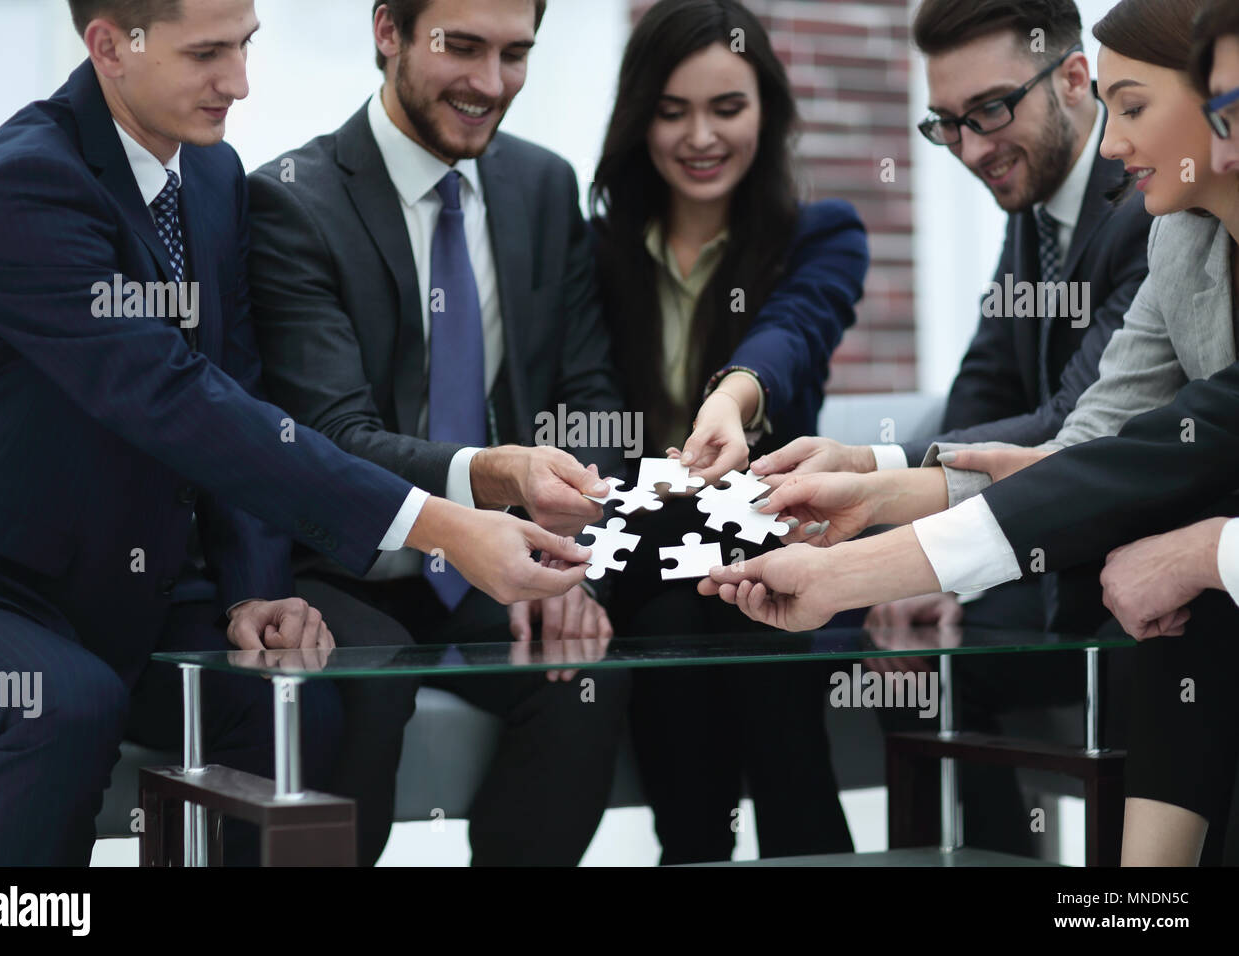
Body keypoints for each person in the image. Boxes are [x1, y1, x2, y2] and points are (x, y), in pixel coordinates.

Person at [0, 0, 590, 867]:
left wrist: (252, 591)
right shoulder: (23, 189)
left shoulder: (210, 177)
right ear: (108, 47)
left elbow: (239, 393)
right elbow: (177, 403)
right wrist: (445, 525)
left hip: (134, 588)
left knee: (299, 703)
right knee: (68, 705)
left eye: (246, 46)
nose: (239, 84)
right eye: (207, 54)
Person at [702, 0, 1239, 865]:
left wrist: (1203, 550)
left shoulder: (1144, 214)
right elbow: (1097, 442)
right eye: (947, 124)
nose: (1110, 140)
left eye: (1131, 108)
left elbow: (1133, 450)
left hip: (1160, 583)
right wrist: (878, 487)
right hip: (1163, 583)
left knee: (1172, 619)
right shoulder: (1176, 234)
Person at [247, 0, 630, 866]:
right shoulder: (290, 201)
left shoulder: (541, 186)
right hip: (348, 559)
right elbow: (332, 436)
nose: (491, 84)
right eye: (461, 47)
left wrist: (571, 550)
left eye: (515, 55)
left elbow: (586, 395)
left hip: (501, 554)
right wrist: (502, 478)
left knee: (586, 678)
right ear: (388, 32)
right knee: (364, 689)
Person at [590, 0, 868, 864]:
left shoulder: (820, 235)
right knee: (697, 610)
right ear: (639, 118)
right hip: (633, 547)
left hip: (771, 542)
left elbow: (791, 329)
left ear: (768, 112)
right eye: (672, 111)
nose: (699, 136)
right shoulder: (592, 250)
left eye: (727, 108)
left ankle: (703, 851)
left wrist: (733, 397)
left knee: (726, 609)